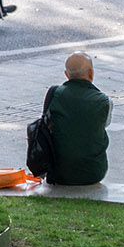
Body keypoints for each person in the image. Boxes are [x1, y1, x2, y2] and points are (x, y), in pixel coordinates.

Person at [44, 52, 111, 185]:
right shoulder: (104, 101)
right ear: (91, 73)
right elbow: (103, 124)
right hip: (94, 173)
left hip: (58, 172)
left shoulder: (55, 94)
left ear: (66, 74)